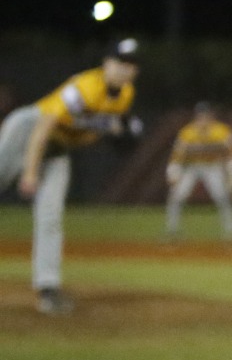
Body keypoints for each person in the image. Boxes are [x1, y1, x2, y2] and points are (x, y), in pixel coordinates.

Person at [0, 39, 142, 315]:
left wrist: (121, 133)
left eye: (132, 65)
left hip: (58, 151)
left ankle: (48, 290)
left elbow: (110, 131)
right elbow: (45, 124)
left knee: (51, 216)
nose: (126, 70)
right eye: (121, 62)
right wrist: (30, 172)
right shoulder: (86, 87)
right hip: (28, 132)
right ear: (107, 63)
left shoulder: (125, 96)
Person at [165, 103, 232, 243]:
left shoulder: (221, 131)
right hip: (191, 167)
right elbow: (177, 155)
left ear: (211, 117)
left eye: (206, 116)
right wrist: (173, 173)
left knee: (222, 196)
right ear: (196, 117)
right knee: (177, 195)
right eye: (200, 116)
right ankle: (172, 231)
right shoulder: (187, 133)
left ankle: (231, 232)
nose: (203, 119)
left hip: (213, 166)